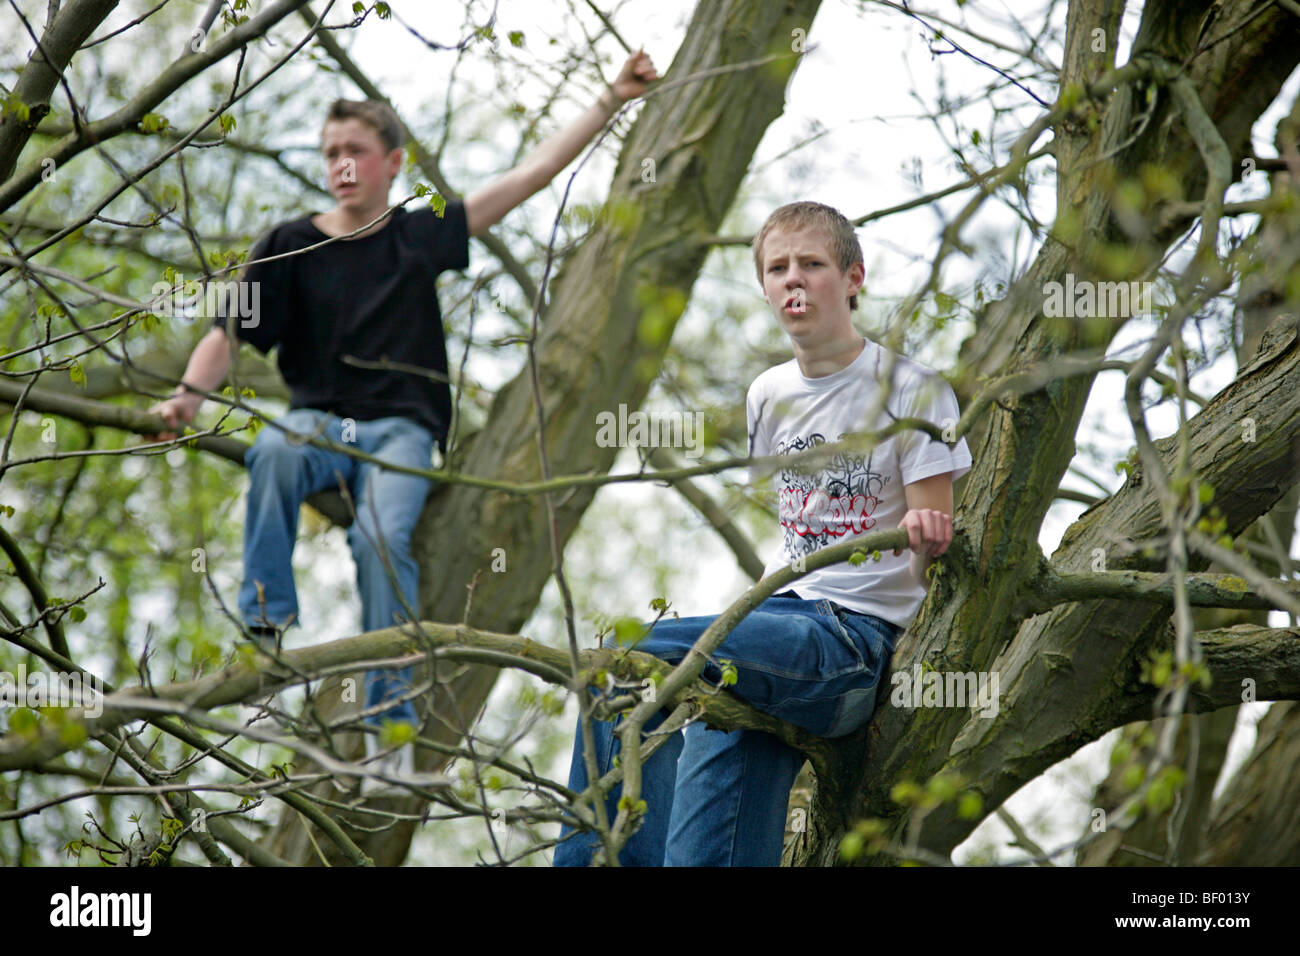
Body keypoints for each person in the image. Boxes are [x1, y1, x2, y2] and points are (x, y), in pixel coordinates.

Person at [144, 51, 660, 753]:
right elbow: (227, 334)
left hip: (400, 433)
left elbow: (531, 176)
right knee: (272, 453)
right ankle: (265, 625)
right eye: (331, 153)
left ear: (392, 161)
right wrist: (183, 402)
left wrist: (612, 98)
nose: (342, 164)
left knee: (381, 539)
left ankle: (392, 706)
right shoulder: (288, 246)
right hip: (316, 424)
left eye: (357, 150)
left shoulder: (418, 236)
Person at [553, 201, 973, 866]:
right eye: (778, 268)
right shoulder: (769, 395)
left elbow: (938, 565)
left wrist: (927, 534)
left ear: (853, 277)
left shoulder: (915, 390)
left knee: (626, 660)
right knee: (703, 844)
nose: (793, 280)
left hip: (854, 646)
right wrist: (752, 612)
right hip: (780, 629)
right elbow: (799, 540)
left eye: (811, 264)